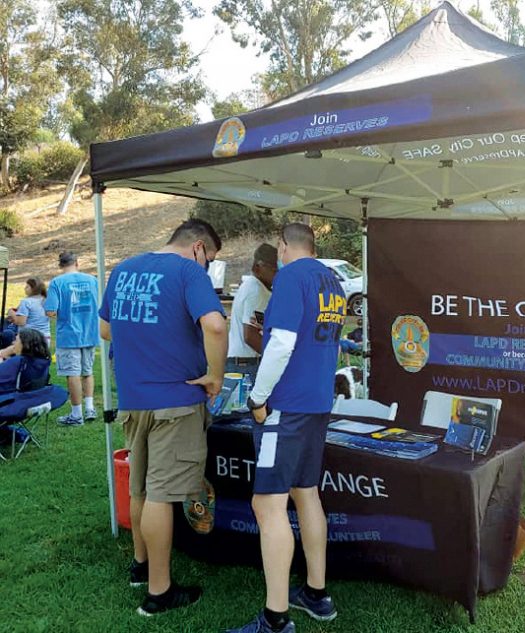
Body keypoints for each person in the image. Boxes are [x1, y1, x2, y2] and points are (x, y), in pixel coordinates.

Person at [100, 218, 228, 616]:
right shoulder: (190, 271)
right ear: (198, 248)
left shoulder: (123, 269)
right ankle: (159, 592)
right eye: (211, 259)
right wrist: (216, 376)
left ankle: (140, 565)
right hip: (177, 400)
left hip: (135, 399)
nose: (208, 266)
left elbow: (106, 330)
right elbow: (216, 325)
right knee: (160, 494)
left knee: (139, 488)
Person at [226, 224, 345, 633]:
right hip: (316, 404)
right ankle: (316, 593)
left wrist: (257, 398)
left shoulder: (291, 277)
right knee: (306, 492)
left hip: (286, 406)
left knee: (268, 506)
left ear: (282, 248)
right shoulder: (333, 280)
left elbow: (280, 344)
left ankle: (276, 619)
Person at [45, 251, 101, 424]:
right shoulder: (93, 280)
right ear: (77, 262)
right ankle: (90, 408)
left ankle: (76, 415)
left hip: (69, 334)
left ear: (60, 265)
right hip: (90, 332)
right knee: (87, 371)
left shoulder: (57, 283)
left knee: (72, 374)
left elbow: (51, 311)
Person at [228, 244, 279, 375]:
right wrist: (274, 357)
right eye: (274, 270)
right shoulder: (256, 290)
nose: (277, 273)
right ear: (258, 267)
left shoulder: (259, 288)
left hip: (245, 363)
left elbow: (259, 324)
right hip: (246, 364)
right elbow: (250, 335)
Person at [0, 329, 53, 398]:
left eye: (16, 340)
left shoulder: (18, 362)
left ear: (24, 344)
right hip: (31, 398)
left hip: (12, 399)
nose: (13, 343)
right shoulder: (42, 362)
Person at [12, 278, 51, 345]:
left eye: (27, 287)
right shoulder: (46, 300)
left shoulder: (26, 302)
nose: (24, 288)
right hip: (45, 339)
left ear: (33, 289)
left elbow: (21, 322)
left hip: (29, 339)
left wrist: (11, 313)